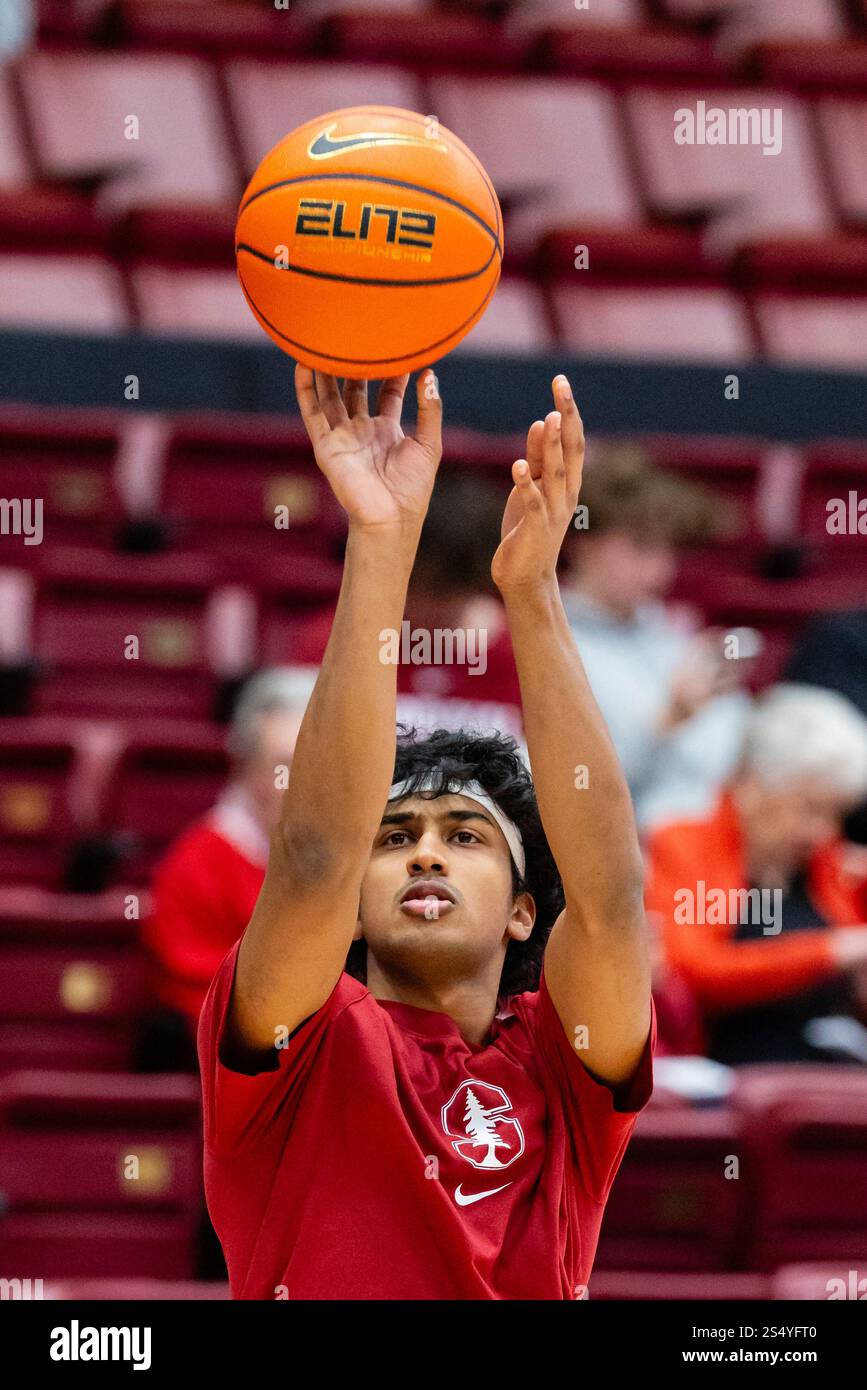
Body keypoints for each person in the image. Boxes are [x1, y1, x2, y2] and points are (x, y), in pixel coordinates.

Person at [198, 367, 654, 1301]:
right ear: (352, 919)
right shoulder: (307, 1044)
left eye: (466, 835)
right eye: (396, 835)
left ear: (524, 913)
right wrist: (379, 538)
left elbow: (607, 895)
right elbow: (318, 854)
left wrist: (531, 592)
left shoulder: (560, 1064)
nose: (426, 851)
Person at [646, 684, 867, 1067]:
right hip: (723, 1078)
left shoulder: (828, 864)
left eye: (834, 814)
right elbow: (691, 970)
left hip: (834, 1072)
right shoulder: (683, 843)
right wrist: (829, 953)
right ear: (753, 786)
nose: (822, 831)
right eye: (809, 809)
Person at [137, 666, 317, 1069]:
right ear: (243, 763)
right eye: (284, 764)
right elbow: (213, 1014)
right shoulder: (195, 869)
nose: (303, 780)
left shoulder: (364, 859)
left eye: (318, 761)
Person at [561, 448, 751, 830]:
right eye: (642, 547)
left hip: (710, 846)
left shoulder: (673, 637)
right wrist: (669, 719)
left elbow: (730, 755)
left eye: (669, 550)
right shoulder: (547, 642)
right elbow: (570, 790)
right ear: (583, 541)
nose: (662, 569)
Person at [292, 471, 524, 740]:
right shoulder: (333, 644)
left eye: (445, 593)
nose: (429, 607)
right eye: (416, 588)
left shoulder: (524, 655)